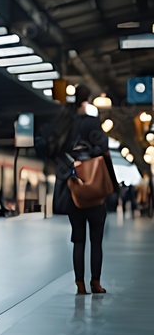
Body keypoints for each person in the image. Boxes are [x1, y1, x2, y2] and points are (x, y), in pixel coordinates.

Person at [52, 88, 116, 295]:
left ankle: (79, 285)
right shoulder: (91, 122)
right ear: (87, 101)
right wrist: (112, 184)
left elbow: (56, 152)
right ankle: (95, 283)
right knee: (96, 241)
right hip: (95, 192)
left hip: (74, 191)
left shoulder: (65, 124)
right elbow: (104, 150)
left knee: (78, 240)